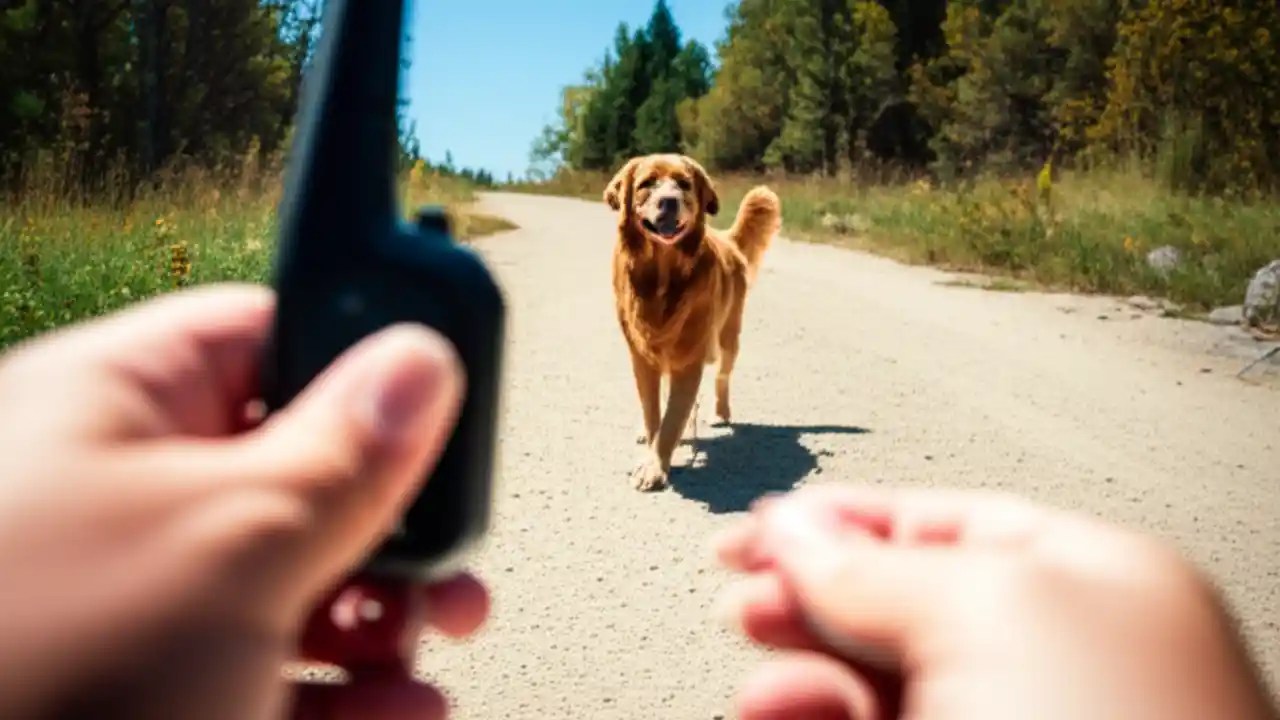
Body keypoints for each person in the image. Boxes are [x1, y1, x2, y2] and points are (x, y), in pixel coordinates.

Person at [0, 284, 1273, 720]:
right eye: (648, 188)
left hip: (710, 354)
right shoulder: (622, 247)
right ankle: (667, 436)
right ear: (625, 200)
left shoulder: (707, 253)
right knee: (647, 370)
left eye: (678, 189)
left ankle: (704, 409)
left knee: (700, 361)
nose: (663, 201)